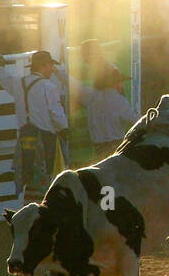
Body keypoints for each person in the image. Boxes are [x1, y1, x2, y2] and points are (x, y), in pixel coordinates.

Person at [11, 50, 68, 201]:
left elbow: (2, 78)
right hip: (44, 138)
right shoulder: (48, 86)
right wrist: (64, 129)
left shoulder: (19, 84)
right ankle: (45, 207)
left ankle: (30, 206)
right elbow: (55, 112)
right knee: (48, 175)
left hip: (24, 138)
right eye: (50, 66)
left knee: (29, 175)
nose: (52, 69)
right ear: (44, 65)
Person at [81, 64, 138, 160]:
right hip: (116, 145)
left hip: (98, 147)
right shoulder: (120, 100)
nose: (122, 85)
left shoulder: (91, 98)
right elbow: (134, 120)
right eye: (121, 82)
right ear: (115, 83)